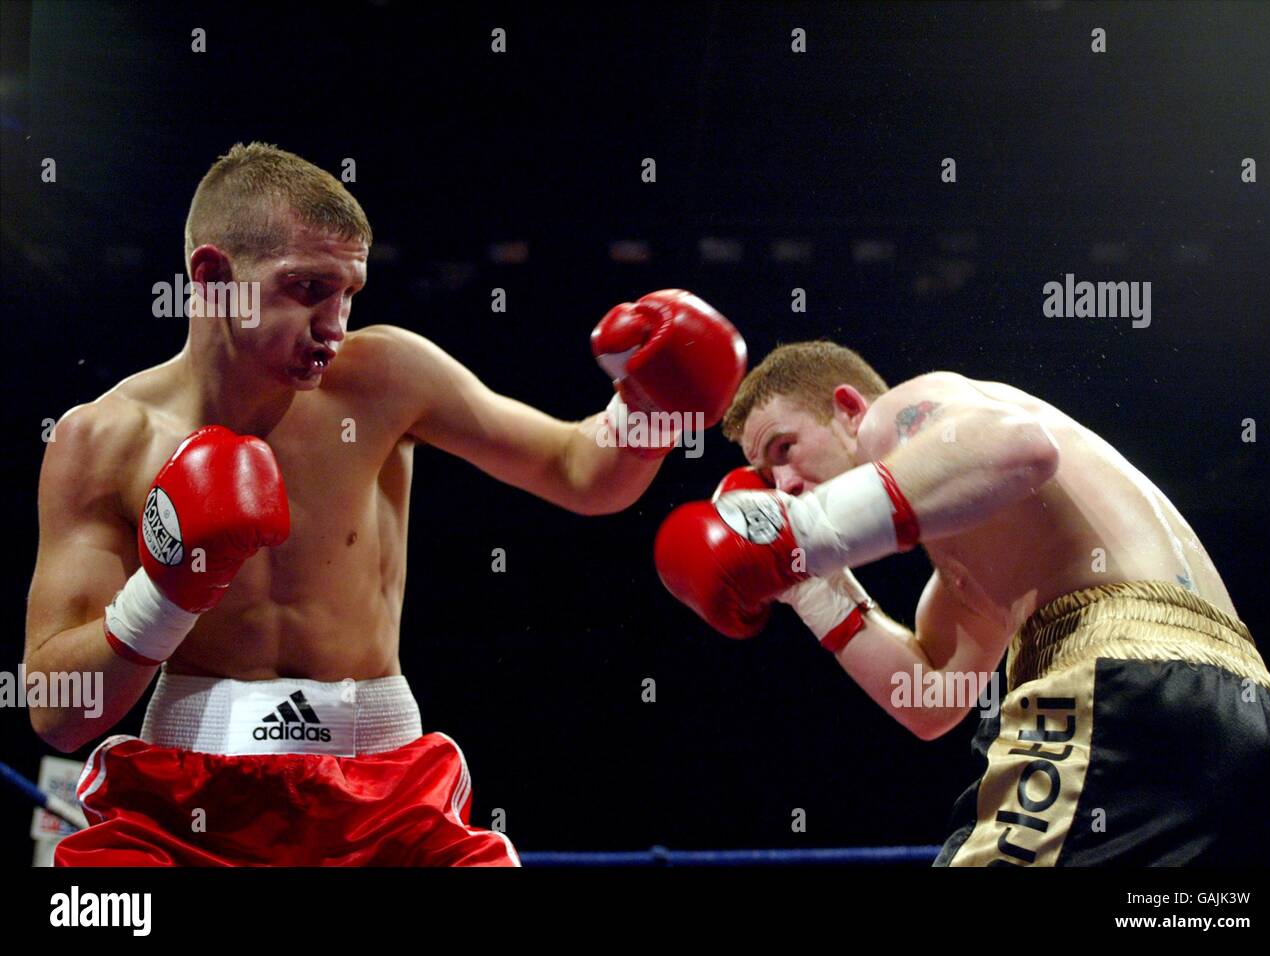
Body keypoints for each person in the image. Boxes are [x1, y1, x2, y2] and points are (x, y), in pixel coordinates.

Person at [25, 142, 746, 866]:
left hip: (388, 804)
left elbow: (581, 471)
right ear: (213, 278)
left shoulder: (384, 377)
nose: (335, 324)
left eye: (349, 293)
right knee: (89, 916)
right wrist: (167, 593)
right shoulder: (105, 440)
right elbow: (58, 713)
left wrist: (654, 408)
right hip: (183, 810)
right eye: (308, 289)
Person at [655, 339, 1270, 865]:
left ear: (846, 407)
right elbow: (931, 700)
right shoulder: (985, 562)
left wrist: (803, 533)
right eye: (767, 482)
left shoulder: (899, 413)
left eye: (783, 450)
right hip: (1249, 719)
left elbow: (1017, 446)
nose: (785, 486)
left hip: (1120, 688)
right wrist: (807, 585)